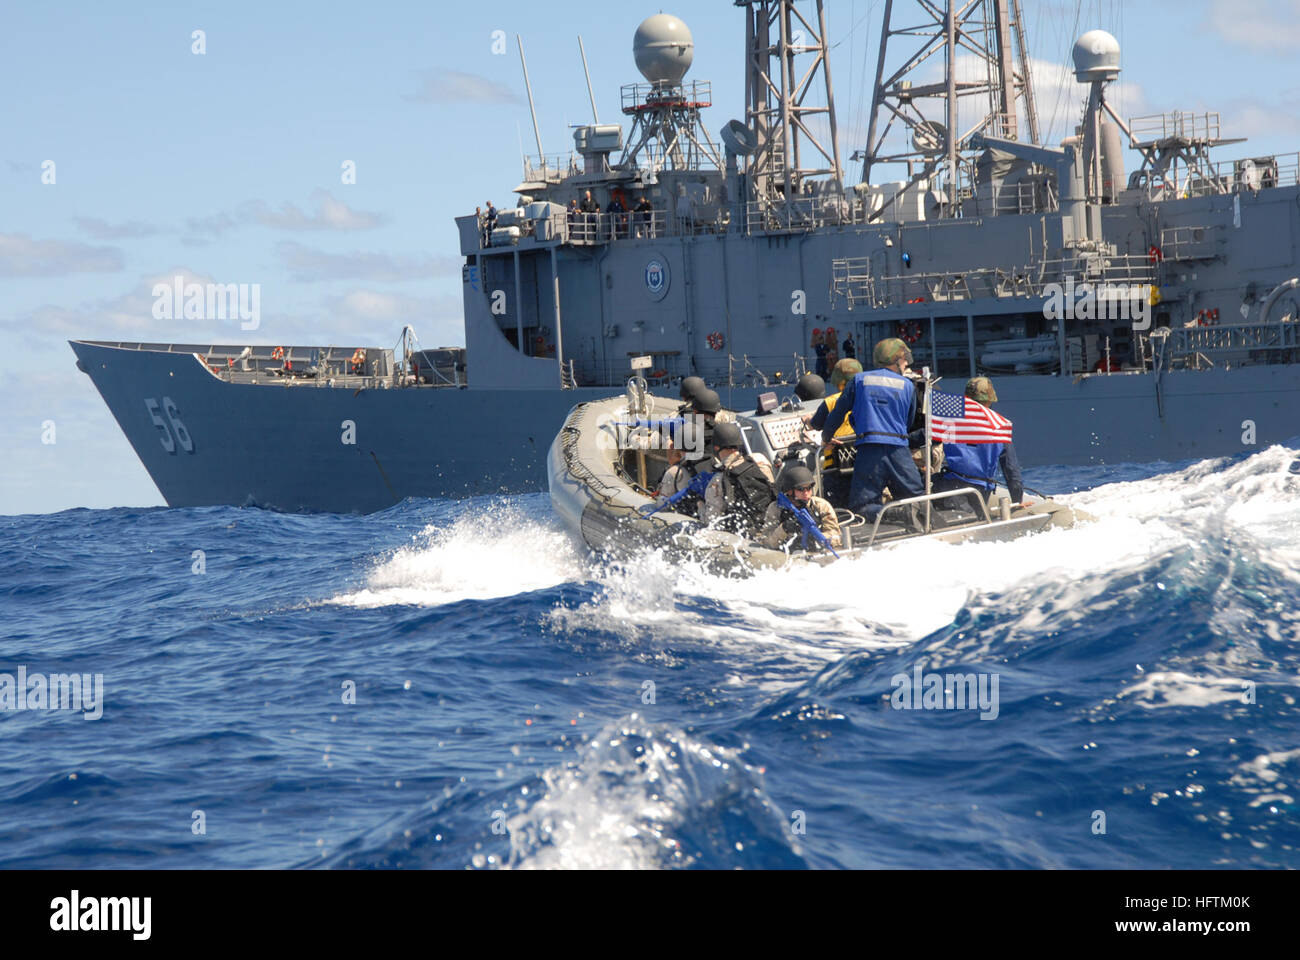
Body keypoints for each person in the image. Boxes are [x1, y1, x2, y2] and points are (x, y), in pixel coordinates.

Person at [819, 338, 925, 521]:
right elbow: (907, 422)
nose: (906, 363)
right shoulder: (907, 385)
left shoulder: (858, 380)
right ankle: (920, 517)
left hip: (869, 450)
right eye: (904, 359)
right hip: (899, 449)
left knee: (862, 506)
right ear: (896, 360)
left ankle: (899, 514)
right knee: (918, 496)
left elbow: (838, 412)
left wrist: (827, 435)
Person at [932, 377, 1024, 515]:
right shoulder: (999, 428)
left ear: (966, 398)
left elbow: (922, 439)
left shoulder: (949, 421)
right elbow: (1011, 471)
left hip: (949, 488)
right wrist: (1017, 502)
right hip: (980, 494)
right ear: (990, 401)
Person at [702, 422, 775, 534]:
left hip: (746, 536)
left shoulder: (718, 480)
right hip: (770, 528)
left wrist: (699, 506)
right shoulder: (760, 460)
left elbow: (712, 521)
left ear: (716, 447)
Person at [808, 358, 862, 505]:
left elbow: (816, 425)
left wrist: (807, 420)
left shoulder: (830, 401)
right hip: (863, 463)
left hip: (835, 471)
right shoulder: (865, 399)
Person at [761, 465, 841, 551]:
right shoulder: (776, 508)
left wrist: (816, 539)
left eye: (809, 488)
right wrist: (784, 528)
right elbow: (767, 542)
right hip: (787, 555)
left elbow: (835, 536)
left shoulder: (820, 505)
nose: (806, 493)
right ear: (789, 491)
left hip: (816, 552)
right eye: (800, 489)